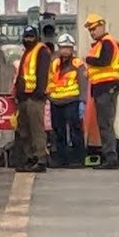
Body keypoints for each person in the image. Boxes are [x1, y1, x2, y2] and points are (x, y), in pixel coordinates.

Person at [83, 12, 119, 169]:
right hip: (102, 87)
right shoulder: (101, 44)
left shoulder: (107, 43)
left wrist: (88, 60)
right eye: (90, 30)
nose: (92, 32)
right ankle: (109, 156)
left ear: (102, 26)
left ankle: (111, 157)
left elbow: (104, 61)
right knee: (104, 123)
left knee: (105, 123)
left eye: (94, 28)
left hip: (107, 86)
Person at [12, 25, 52, 172]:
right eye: (26, 36)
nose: (28, 39)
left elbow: (42, 73)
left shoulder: (41, 51)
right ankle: (30, 158)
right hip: (24, 97)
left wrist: (39, 93)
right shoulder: (27, 52)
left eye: (31, 37)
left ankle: (40, 158)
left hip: (34, 97)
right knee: (25, 130)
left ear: (36, 37)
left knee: (36, 129)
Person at [47, 34, 88, 167]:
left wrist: (82, 101)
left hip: (72, 101)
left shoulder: (78, 64)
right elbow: (50, 80)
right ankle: (61, 158)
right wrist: (48, 96)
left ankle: (77, 159)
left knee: (75, 130)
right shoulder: (54, 63)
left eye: (68, 48)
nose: (65, 50)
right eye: (63, 48)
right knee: (58, 131)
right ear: (59, 48)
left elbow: (83, 82)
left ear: (72, 49)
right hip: (56, 101)